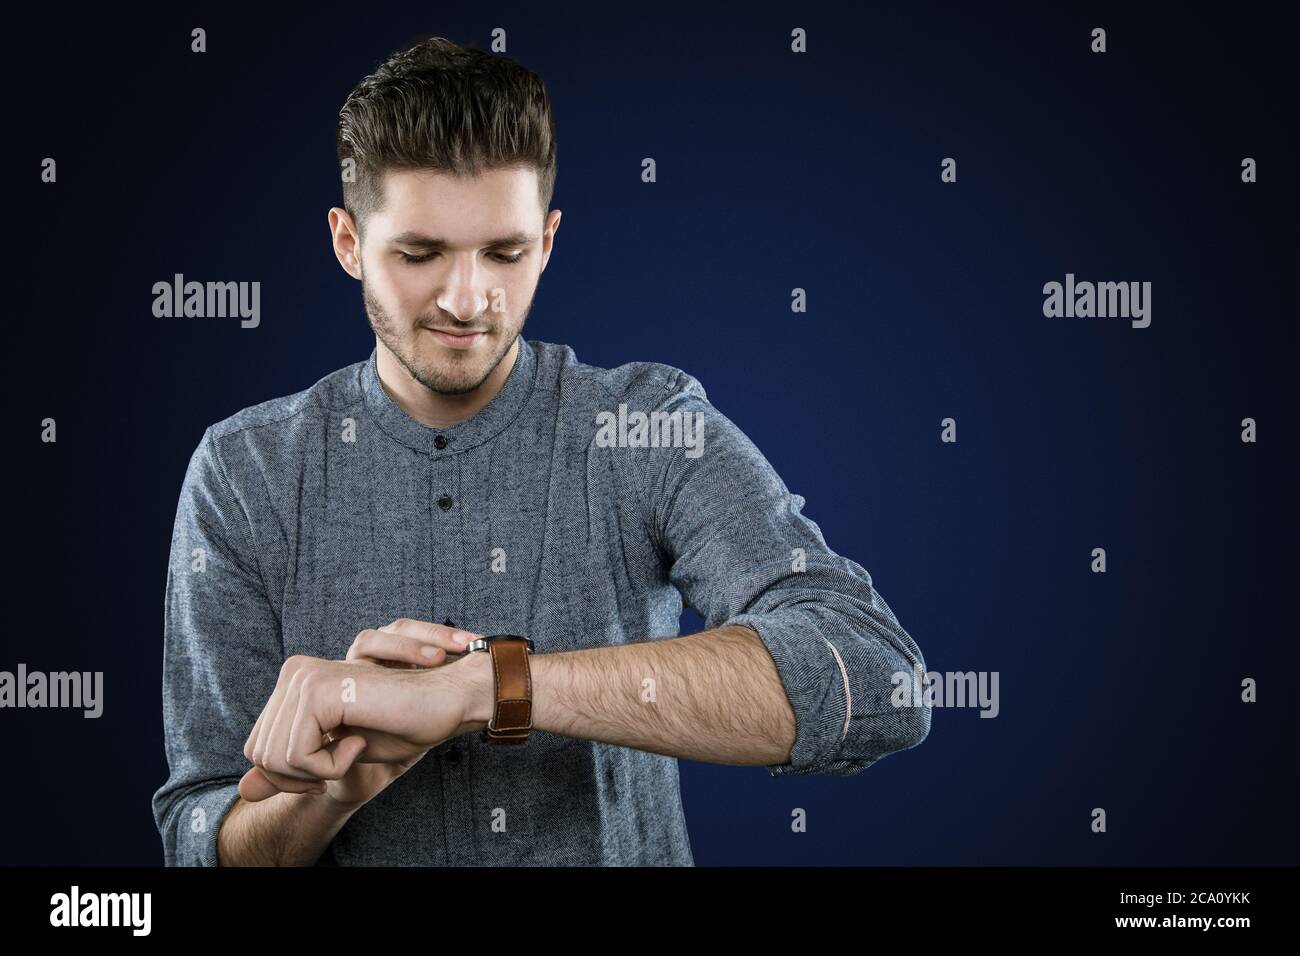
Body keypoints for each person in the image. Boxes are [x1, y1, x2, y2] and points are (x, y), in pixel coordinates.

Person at [151, 35, 930, 867]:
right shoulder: (243, 475)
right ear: (348, 244)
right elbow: (204, 839)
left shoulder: (646, 427)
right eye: (420, 254)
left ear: (549, 241)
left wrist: (482, 690)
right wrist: (341, 784)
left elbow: (876, 676)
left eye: (505, 253)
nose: (467, 299)